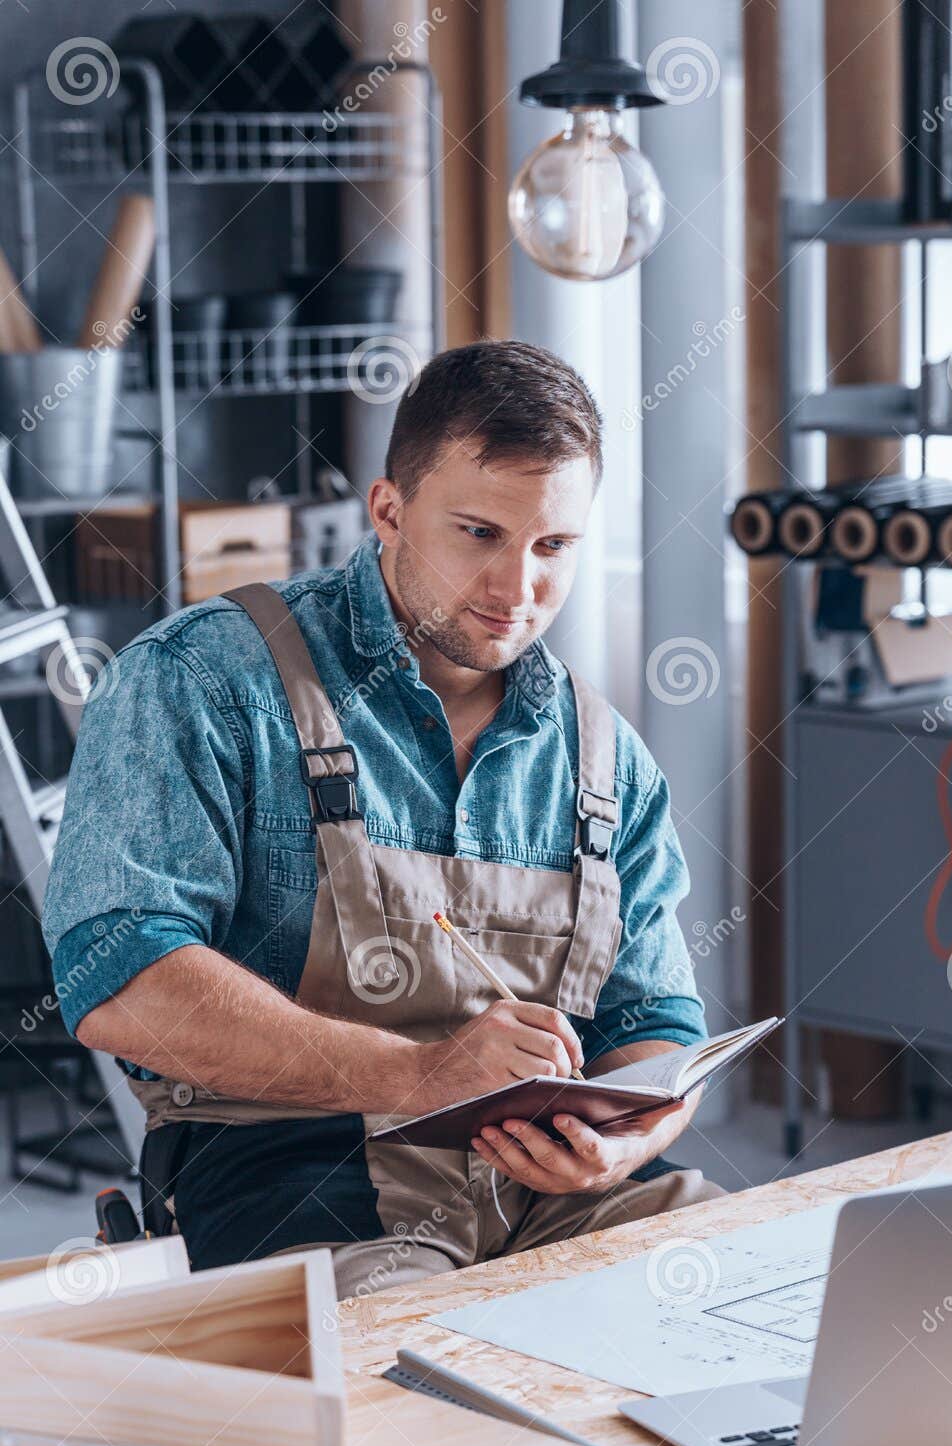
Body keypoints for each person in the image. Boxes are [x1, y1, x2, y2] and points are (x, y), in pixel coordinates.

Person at [43, 339, 721, 1298]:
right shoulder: (199, 681)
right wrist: (418, 1075)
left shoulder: (605, 758)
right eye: (479, 533)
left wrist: (628, 1138)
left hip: (548, 1188)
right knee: (417, 1363)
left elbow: (653, 1021)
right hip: (290, 1168)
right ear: (389, 511)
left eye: (553, 546)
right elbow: (119, 977)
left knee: (747, 1284)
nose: (515, 591)